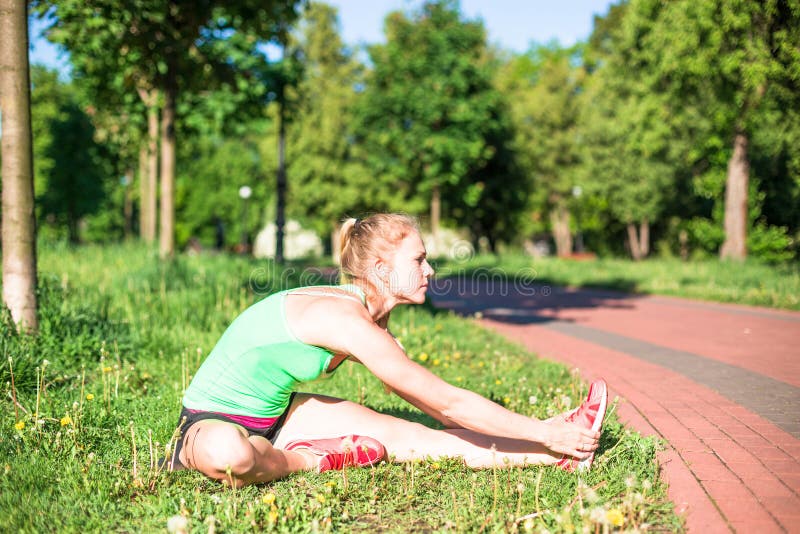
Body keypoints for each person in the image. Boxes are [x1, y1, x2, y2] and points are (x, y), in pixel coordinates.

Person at [168, 213, 606, 487]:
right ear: (380, 269)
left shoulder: (363, 318)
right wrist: (538, 426)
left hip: (278, 415)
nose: (430, 270)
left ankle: (560, 455)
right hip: (208, 425)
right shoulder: (344, 319)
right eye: (418, 260)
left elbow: (436, 409)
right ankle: (309, 460)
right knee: (230, 454)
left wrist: (546, 435)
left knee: (418, 441)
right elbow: (449, 403)